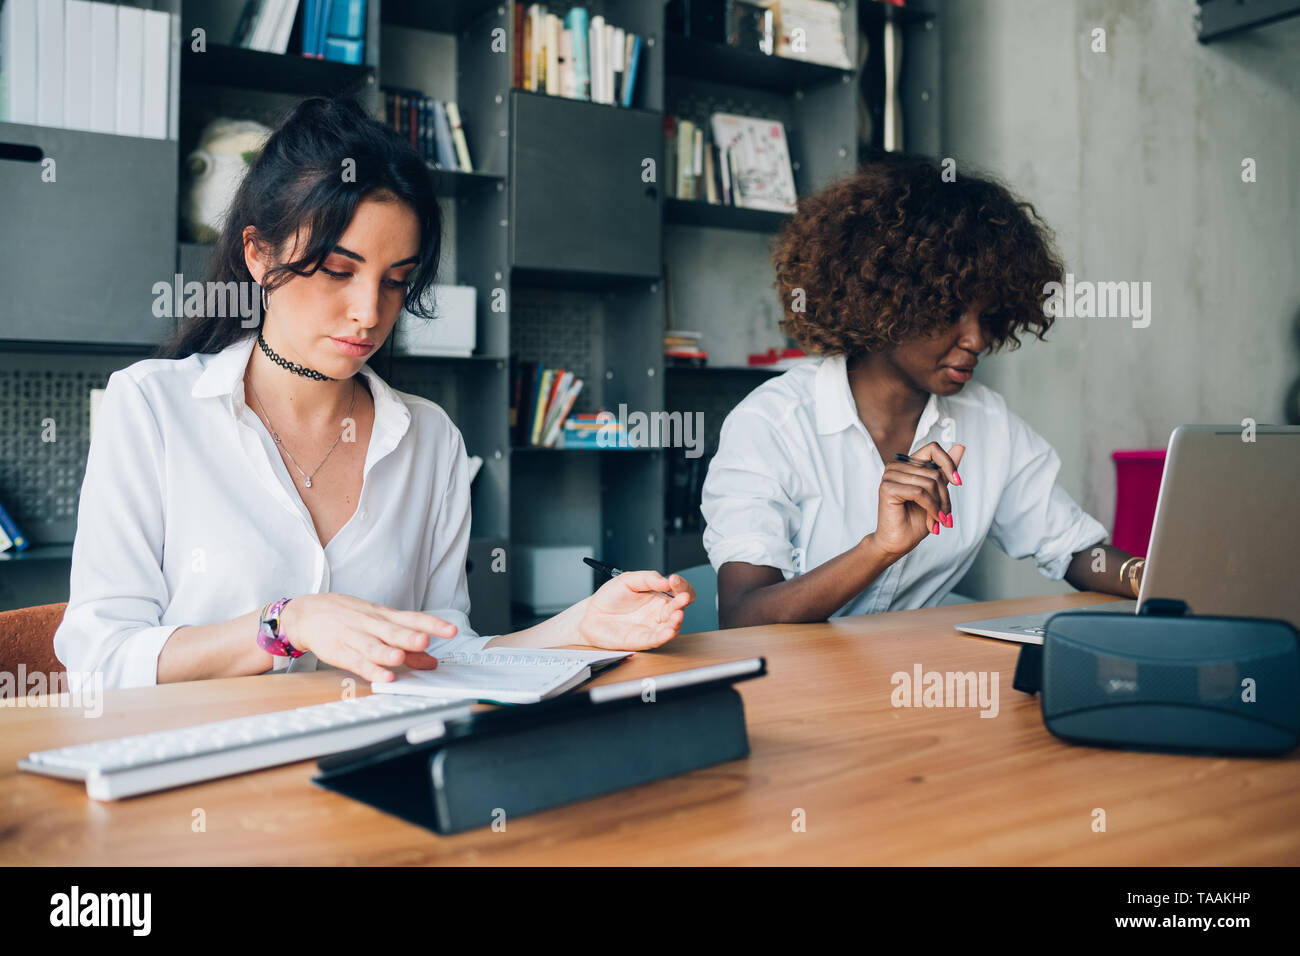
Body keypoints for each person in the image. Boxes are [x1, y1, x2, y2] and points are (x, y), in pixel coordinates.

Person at [54, 96, 694, 689]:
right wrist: (283, 623)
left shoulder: (429, 437)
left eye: (396, 281)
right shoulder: (152, 408)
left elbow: (442, 654)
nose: (369, 312)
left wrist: (578, 629)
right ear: (257, 253)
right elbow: (102, 658)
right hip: (197, 784)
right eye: (338, 270)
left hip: (368, 776)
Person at [701, 156, 1144, 628]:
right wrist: (878, 548)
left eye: (989, 317)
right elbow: (744, 616)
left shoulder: (988, 423)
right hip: (795, 691)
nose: (976, 340)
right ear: (886, 303)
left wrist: (1155, 578)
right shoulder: (773, 424)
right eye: (950, 311)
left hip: (915, 682)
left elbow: (1073, 549)